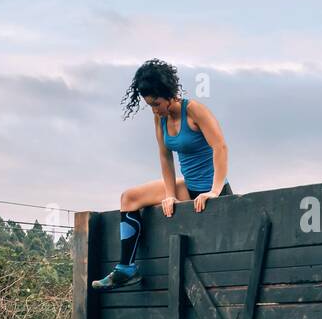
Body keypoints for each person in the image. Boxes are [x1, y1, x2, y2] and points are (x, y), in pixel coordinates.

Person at [92, 59, 232, 290]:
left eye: (157, 103)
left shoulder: (195, 110)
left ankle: (210, 192)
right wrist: (169, 194)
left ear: (169, 93)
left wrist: (215, 191)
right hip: (188, 187)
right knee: (129, 198)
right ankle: (127, 269)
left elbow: (220, 147)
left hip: (213, 189)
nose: (155, 109)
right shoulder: (160, 118)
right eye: (150, 106)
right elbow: (165, 156)